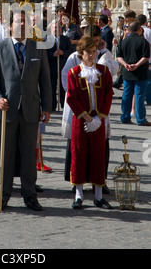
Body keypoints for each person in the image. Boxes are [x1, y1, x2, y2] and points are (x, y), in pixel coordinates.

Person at [0, 10, 52, 211]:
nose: (22, 26)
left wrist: (47, 107)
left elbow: (45, 80)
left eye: (25, 23)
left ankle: (29, 195)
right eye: (18, 22)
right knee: (5, 156)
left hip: (31, 110)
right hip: (7, 111)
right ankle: (3, 195)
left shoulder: (37, 48)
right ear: (9, 25)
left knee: (29, 157)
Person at [61, 24, 118, 191]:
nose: (94, 47)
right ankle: (76, 180)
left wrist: (106, 52)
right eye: (92, 42)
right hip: (79, 110)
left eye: (98, 42)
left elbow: (113, 71)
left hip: (98, 111)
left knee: (99, 147)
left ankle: (99, 181)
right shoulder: (74, 57)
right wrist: (78, 98)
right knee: (77, 147)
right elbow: (66, 78)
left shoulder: (104, 55)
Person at [66, 36, 113, 210]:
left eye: (94, 52)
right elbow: (72, 98)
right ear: (81, 53)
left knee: (98, 156)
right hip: (81, 121)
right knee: (78, 155)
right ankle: (79, 194)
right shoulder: (74, 73)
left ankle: (99, 196)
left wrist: (98, 118)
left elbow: (108, 94)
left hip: (98, 121)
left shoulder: (104, 71)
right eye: (88, 52)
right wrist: (87, 118)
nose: (92, 55)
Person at [117, 20, 151, 126]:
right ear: (140, 29)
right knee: (139, 96)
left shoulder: (123, 41)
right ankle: (140, 119)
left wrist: (125, 64)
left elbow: (119, 57)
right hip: (140, 72)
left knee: (126, 95)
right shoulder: (143, 41)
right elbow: (146, 57)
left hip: (127, 72)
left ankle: (125, 116)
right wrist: (136, 64)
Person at [47, 20, 73, 111]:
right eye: (54, 27)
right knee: (52, 87)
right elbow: (44, 54)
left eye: (58, 27)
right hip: (51, 67)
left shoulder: (65, 39)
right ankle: (52, 105)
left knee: (63, 87)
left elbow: (70, 52)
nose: (56, 29)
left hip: (63, 67)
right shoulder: (46, 40)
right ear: (51, 29)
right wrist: (52, 54)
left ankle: (63, 104)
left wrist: (62, 52)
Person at [137, 14, 151, 105]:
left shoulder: (135, 32)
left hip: (138, 59)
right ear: (145, 21)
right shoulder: (149, 31)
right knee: (149, 80)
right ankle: (149, 98)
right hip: (148, 58)